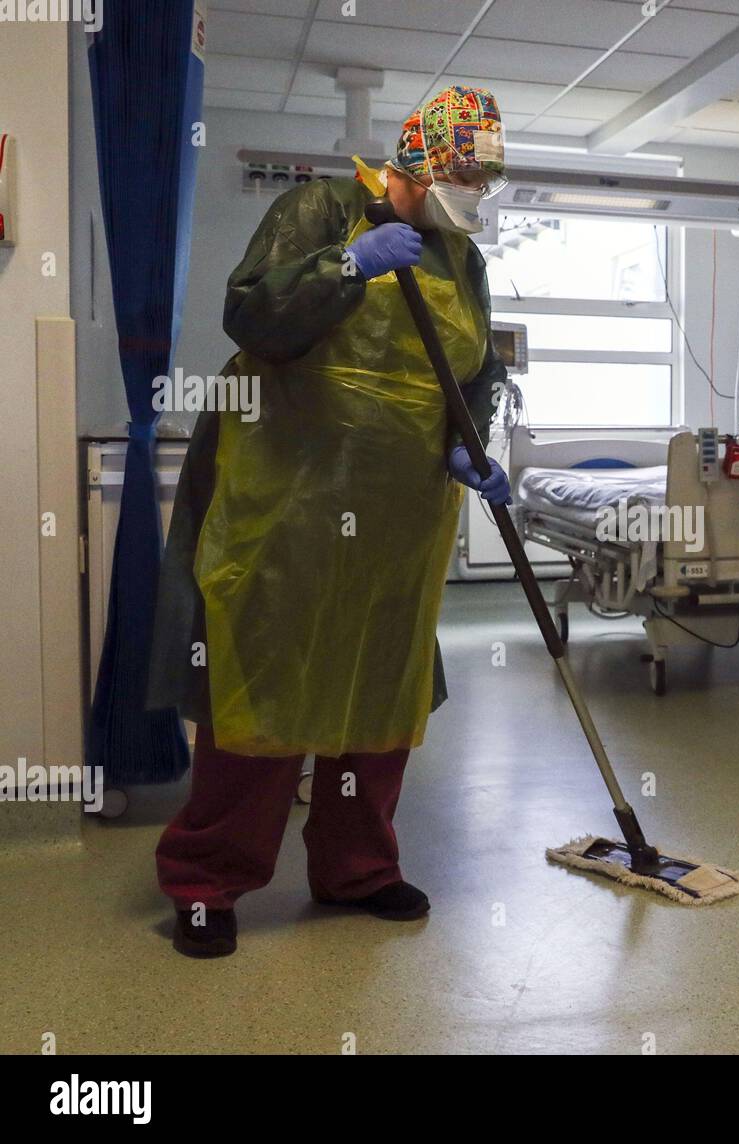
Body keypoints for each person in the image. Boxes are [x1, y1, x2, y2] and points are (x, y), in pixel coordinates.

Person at [148, 86, 512, 957]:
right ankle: (207, 884)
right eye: (467, 173)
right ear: (420, 159)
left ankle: (357, 871)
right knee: (264, 694)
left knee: (377, 693)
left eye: (488, 180)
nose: (478, 193)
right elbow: (251, 315)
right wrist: (345, 268)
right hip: (291, 500)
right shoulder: (317, 208)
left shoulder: (461, 259)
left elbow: (476, 369)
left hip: (401, 517)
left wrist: (473, 440)